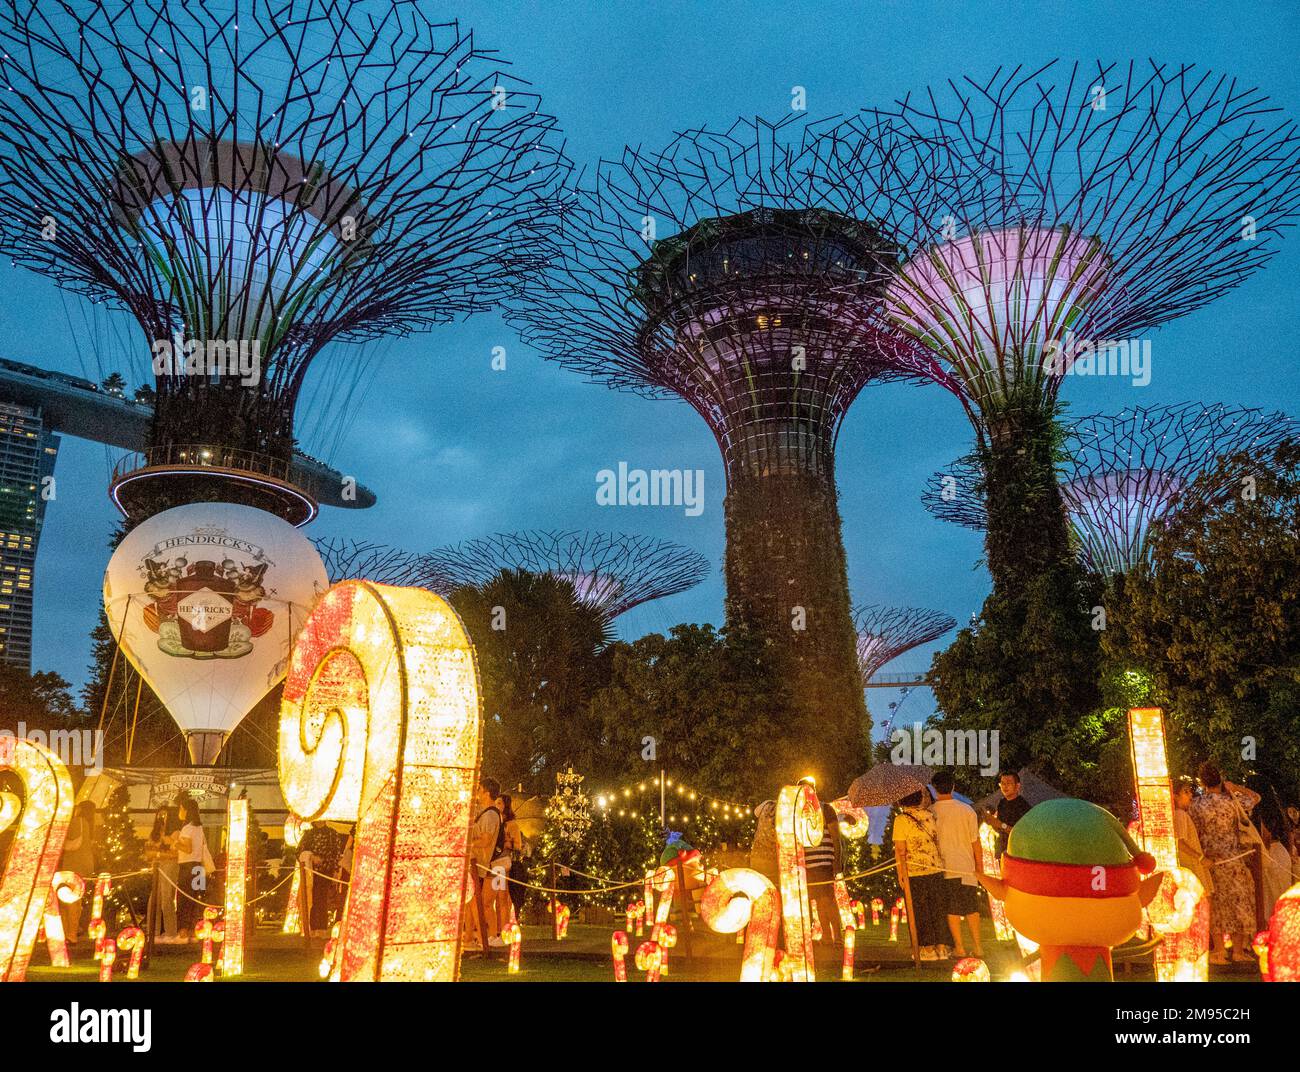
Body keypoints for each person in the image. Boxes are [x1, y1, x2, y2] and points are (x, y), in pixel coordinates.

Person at [1190, 761, 1259, 965]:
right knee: (1239, 902)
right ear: (1220, 779)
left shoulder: (1197, 804)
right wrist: (1235, 787)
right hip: (1233, 857)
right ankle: (1238, 950)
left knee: (1217, 905)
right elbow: (1255, 797)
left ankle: (1219, 951)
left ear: (1203, 781)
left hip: (1210, 859)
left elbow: (1194, 830)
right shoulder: (1231, 802)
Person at [892, 789, 949, 961]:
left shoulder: (901, 820)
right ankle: (942, 948)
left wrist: (901, 874)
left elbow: (900, 850)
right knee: (937, 909)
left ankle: (928, 949)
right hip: (936, 868)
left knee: (920, 911)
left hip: (915, 871)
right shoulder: (930, 815)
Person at [931, 770, 983, 958]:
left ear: (935, 788)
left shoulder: (931, 812)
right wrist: (980, 869)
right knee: (971, 908)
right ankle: (978, 947)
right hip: (966, 866)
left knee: (951, 908)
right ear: (953, 786)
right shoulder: (967, 810)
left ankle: (959, 947)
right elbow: (975, 842)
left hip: (943, 866)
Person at [468, 777, 504, 949]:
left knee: (486, 903)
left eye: (480, 789)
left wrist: (469, 845)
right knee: (482, 901)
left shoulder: (490, 814)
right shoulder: (486, 813)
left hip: (496, 866)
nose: (477, 793)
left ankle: (492, 937)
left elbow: (486, 840)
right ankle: (486, 936)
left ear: (487, 793)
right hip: (492, 865)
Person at [803, 798, 842, 947]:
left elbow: (836, 837)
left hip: (824, 861)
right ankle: (826, 937)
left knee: (828, 901)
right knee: (819, 902)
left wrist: (837, 861)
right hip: (807, 864)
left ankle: (837, 938)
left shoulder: (826, 809)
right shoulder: (799, 811)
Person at [173, 798, 211, 943]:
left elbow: (187, 848)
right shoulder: (199, 828)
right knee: (196, 899)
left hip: (187, 867)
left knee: (184, 899)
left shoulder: (187, 828)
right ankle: (195, 931)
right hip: (199, 867)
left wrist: (175, 843)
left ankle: (183, 932)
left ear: (186, 810)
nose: (180, 812)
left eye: (181, 809)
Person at [298, 822, 345, 937]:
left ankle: (321, 928)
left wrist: (335, 870)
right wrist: (310, 856)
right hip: (310, 872)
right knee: (311, 899)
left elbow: (336, 854)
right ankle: (312, 928)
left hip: (326, 871)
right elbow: (299, 851)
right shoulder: (308, 834)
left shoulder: (332, 834)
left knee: (322, 899)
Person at [59, 801, 96, 944]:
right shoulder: (88, 823)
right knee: (76, 898)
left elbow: (64, 838)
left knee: (69, 900)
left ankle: (71, 934)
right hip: (85, 863)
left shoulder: (76, 821)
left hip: (74, 863)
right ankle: (74, 930)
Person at [145, 806, 181, 943]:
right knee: (154, 898)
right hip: (157, 867)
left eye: (165, 815)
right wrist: (160, 854)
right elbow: (148, 853)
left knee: (166, 898)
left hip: (170, 867)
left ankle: (171, 932)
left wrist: (158, 854)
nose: (162, 818)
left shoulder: (175, 833)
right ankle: (152, 932)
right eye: (160, 815)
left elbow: (175, 854)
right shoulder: (154, 833)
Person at [1172, 777, 1213, 898]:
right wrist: (1201, 858)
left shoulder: (1181, 814)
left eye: (1190, 791)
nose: (1190, 795)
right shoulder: (1180, 815)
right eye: (1185, 792)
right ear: (1175, 795)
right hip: (1191, 868)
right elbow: (1178, 843)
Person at [986, 772, 1032, 858]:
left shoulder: (1023, 806)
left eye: (1008, 783)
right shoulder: (1002, 803)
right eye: (1002, 783)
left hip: (1016, 853)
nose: (1005, 786)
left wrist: (1000, 824)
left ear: (1017, 786)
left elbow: (1021, 833)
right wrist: (991, 821)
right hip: (1002, 851)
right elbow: (999, 829)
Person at [497, 794, 527, 925]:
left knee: (502, 897)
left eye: (499, 803)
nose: (496, 806)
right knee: (496, 897)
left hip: (504, 863)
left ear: (506, 805)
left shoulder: (512, 825)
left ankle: (504, 927)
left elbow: (518, 846)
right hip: (493, 863)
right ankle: (497, 927)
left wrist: (506, 844)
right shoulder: (496, 822)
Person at [1260, 811, 1295, 916]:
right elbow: (1290, 835)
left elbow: (1266, 836)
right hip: (1281, 852)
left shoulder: (1260, 810)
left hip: (1271, 854)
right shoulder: (1278, 809)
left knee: (1271, 898)